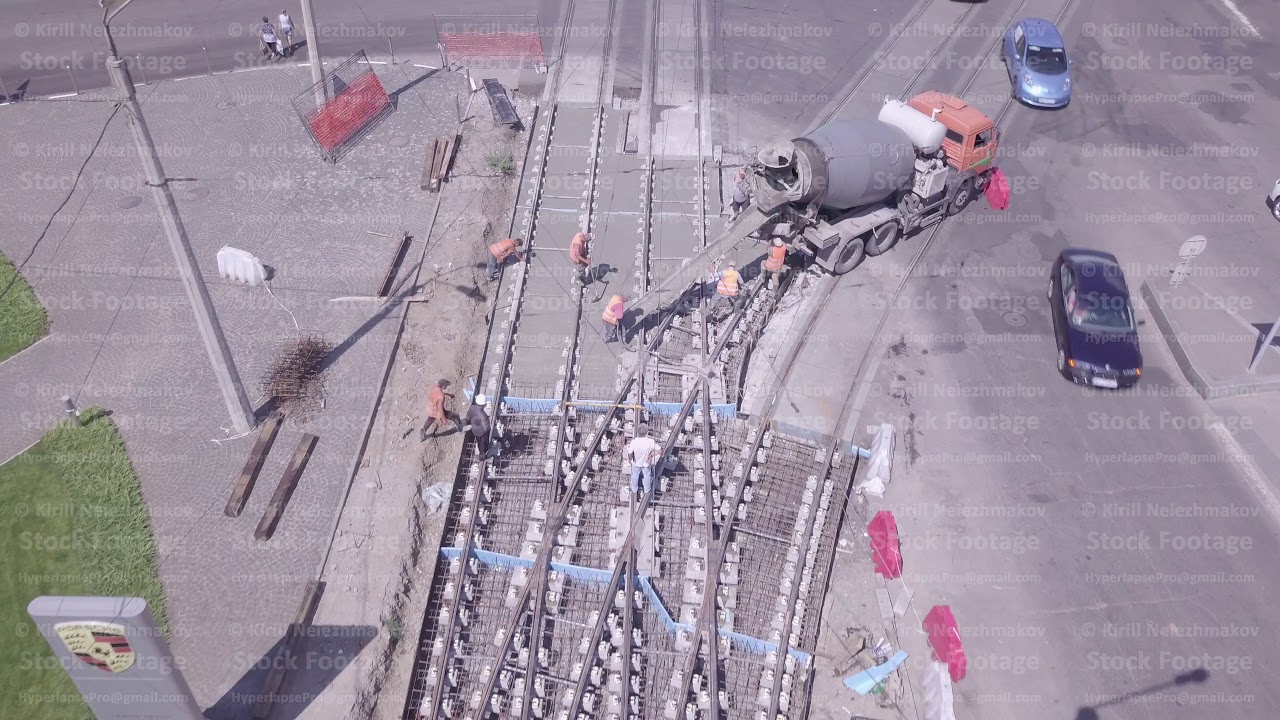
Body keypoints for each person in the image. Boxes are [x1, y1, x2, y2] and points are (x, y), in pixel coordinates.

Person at [625, 424, 661, 502]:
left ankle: (634, 489)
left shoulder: (634, 442)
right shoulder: (650, 442)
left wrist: (631, 460)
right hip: (646, 463)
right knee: (647, 476)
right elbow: (660, 451)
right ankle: (647, 490)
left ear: (638, 432)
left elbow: (630, 453)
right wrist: (651, 455)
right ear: (646, 433)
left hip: (636, 463)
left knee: (635, 475)